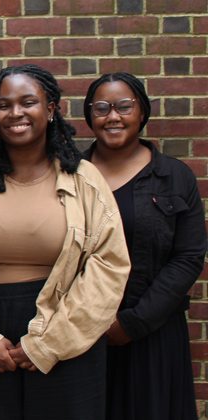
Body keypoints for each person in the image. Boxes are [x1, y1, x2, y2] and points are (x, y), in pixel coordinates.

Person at [0, 64, 131, 419]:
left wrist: (51, 343)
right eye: (4, 105)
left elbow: (109, 266)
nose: (15, 113)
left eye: (28, 102)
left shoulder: (84, 179)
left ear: (50, 109)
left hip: (67, 336)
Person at [82, 73, 207, 420]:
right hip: (79, 334)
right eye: (102, 108)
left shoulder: (175, 177)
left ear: (142, 112)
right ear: (89, 115)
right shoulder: (69, 176)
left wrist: (133, 323)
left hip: (154, 334)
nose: (113, 117)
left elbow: (188, 257)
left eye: (124, 106)